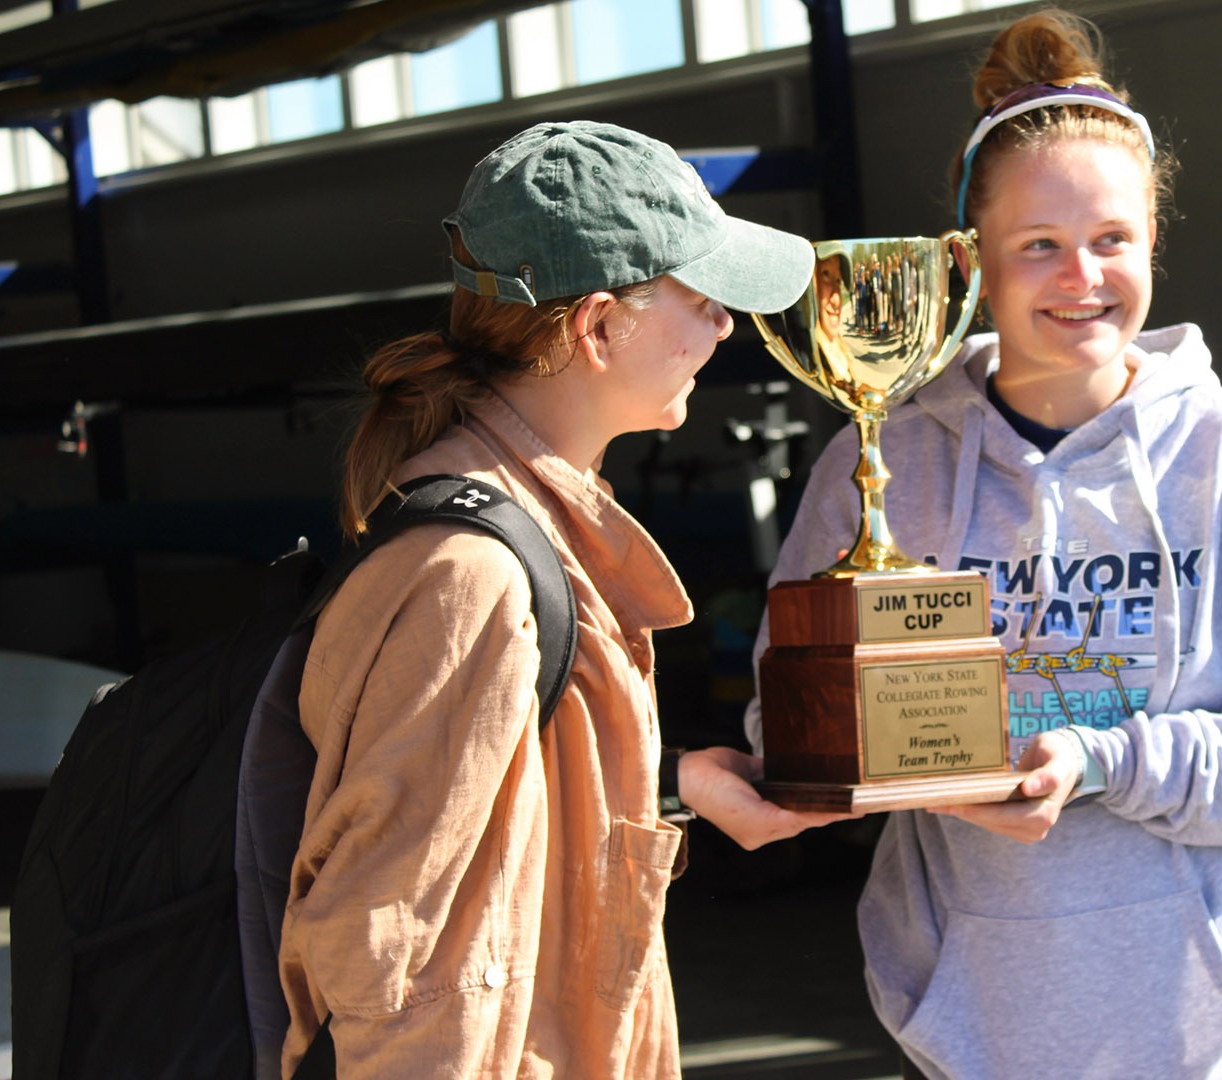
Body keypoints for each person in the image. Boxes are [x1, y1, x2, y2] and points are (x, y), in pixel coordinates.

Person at [744, 10, 1222, 1079]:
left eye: (1112, 239)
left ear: (1155, 239)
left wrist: (1096, 761)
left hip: (1214, 1022)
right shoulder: (884, 457)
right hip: (967, 1024)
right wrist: (839, 764)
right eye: (1039, 244)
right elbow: (785, 714)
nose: (1082, 276)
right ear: (972, 258)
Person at [278, 120, 854, 1079]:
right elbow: (388, 952)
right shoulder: (473, 578)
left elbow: (496, 803)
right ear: (594, 327)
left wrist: (673, 790)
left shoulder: (516, 531)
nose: (724, 324)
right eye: (703, 296)